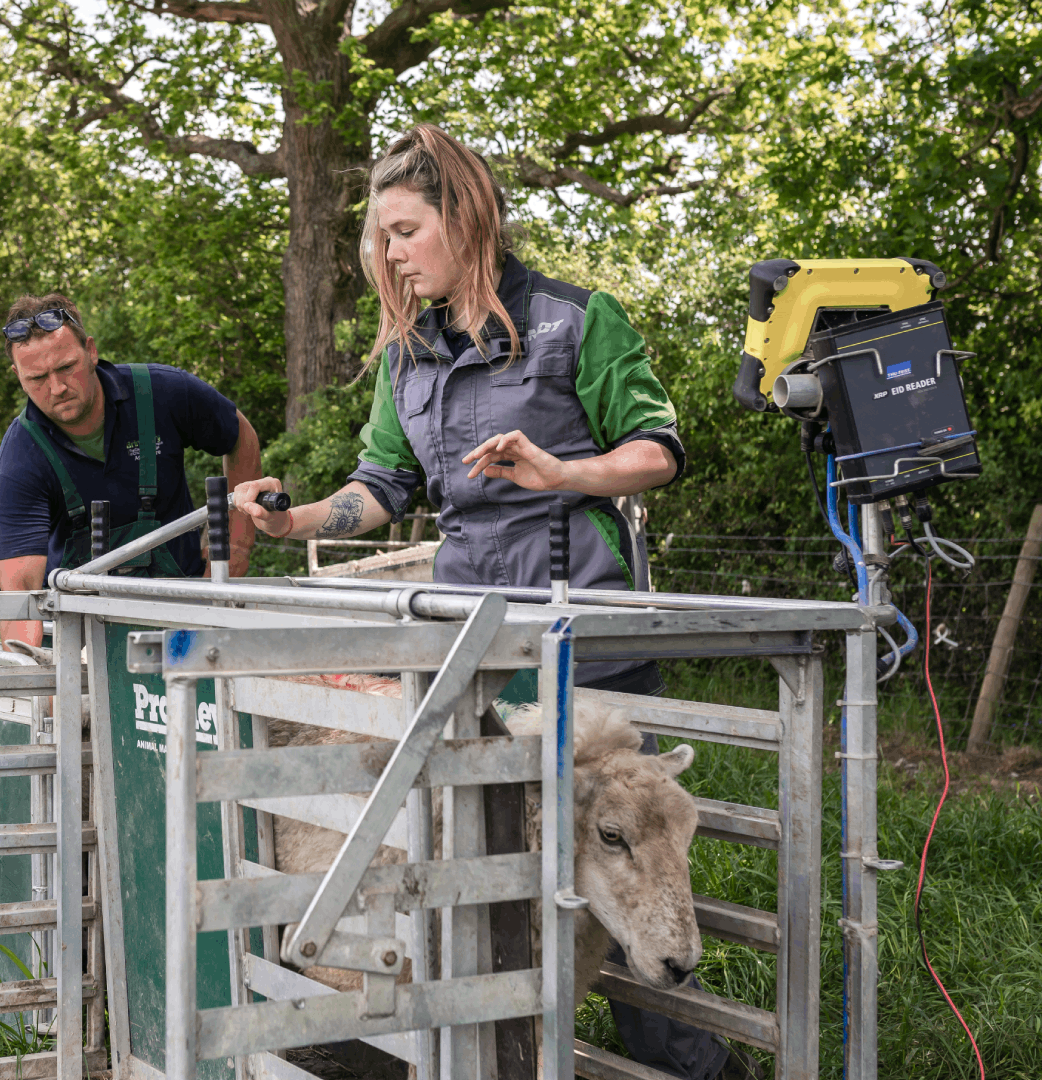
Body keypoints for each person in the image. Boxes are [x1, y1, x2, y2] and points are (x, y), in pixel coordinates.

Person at [233, 125, 755, 1080]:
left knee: (616, 848)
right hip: (471, 648)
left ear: (462, 218)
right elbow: (383, 485)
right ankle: (484, 1048)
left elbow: (659, 451)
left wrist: (563, 471)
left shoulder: (575, 321)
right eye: (381, 238)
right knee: (483, 867)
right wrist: (293, 518)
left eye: (403, 231)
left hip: (584, 637)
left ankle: (685, 1060)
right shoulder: (408, 356)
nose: (389, 255)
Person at [0, 294, 262, 647]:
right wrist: (41, 693)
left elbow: (242, 437)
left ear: (90, 351)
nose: (56, 388)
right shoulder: (20, 459)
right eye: (37, 378)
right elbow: (21, 600)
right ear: (17, 375)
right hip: (84, 635)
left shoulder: (164, 392)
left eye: (66, 367)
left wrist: (236, 543)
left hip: (187, 615)